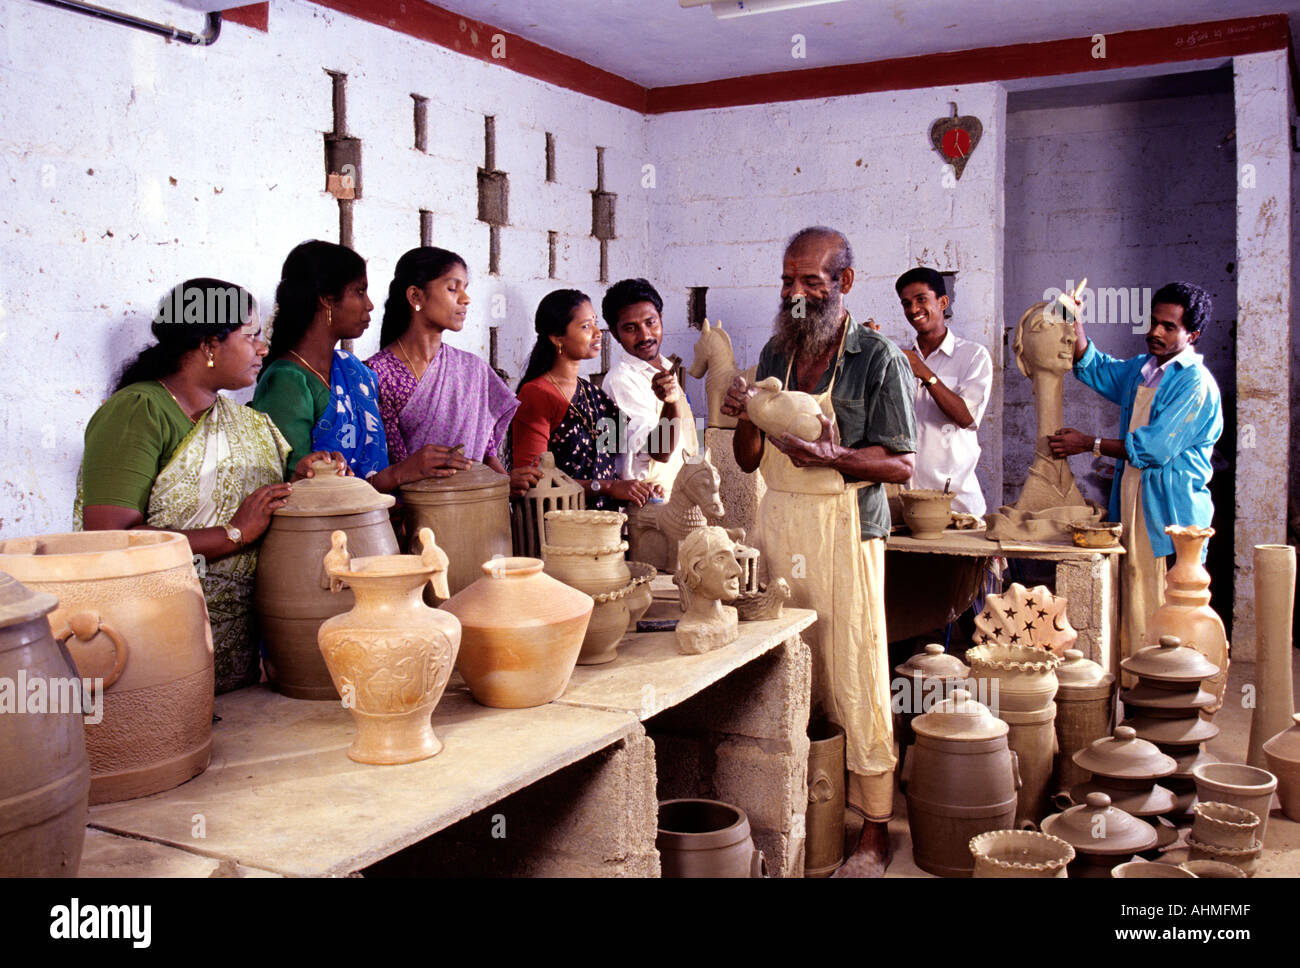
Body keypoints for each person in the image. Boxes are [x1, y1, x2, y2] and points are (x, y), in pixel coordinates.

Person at [722, 226, 917, 877]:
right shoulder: (777, 350)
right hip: (779, 525)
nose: (798, 294)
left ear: (844, 284)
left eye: (812, 282)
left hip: (845, 530)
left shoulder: (877, 357)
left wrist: (832, 455)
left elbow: (903, 464)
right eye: (788, 281)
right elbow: (748, 456)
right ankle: (797, 806)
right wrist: (744, 414)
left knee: (854, 672)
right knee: (787, 666)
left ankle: (874, 826)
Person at [77, 279, 348, 693]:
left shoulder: (246, 422)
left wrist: (304, 479)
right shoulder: (139, 411)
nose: (262, 348)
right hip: (154, 654)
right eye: (251, 336)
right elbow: (110, 538)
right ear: (208, 345)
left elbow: (257, 502)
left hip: (239, 660)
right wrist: (232, 534)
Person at [1048, 281, 1223, 670]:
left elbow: (1153, 449)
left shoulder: (1194, 382)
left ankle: (1166, 696)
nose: (1156, 332)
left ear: (1192, 334)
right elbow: (1094, 367)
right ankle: (1135, 689)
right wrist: (1076, 321)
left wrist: (1089, 444)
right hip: (1131, 498)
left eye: (1169, 327)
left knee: (1163, 607)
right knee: (1133, 599)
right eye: (1154, 322)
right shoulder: (1144, 371)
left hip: (1170, 513)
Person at [251, 240, 470, 491]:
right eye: (359, 292)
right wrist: (400, 473)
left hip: (373, 522)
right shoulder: (287, 381)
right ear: (327, 300)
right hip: (323, 529)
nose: (369, 305)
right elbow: (297, 491)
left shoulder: (355, 371)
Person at [366, 246, 528, 489]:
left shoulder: (474, 369)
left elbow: (485, 451)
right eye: (452, 288)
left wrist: (505, 483)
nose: (466, 299)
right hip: (413, 518)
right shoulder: (377, 374)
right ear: (415, 297)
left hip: (476, 509)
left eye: (465, 289)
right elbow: (387, 467)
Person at [509, 289, 655, 508]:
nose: (598, 333)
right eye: (586, 326)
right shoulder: (536, 394)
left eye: (595, 323)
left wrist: (641, 487)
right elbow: (534, 481)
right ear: (557, 338)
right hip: (560, 528)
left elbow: (632, 450)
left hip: (604, 525)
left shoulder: (591, 393)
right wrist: (608, 487)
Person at [895, 267, 992, 516]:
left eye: (921, 300)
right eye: (906, 303)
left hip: (957, 505)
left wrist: (924, 373)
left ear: (943, 302)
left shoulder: (973, 356)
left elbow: (966, 417)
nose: (913, 309)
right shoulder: (899, 358)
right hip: (908, 503)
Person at [599, 278, 699, 496]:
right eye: (630, 328)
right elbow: (660, 451)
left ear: (661, 319)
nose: (644, 335)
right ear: (615, 334)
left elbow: (690, 441)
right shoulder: (620, 380)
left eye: (650, 322)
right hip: (649, 501)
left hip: (679, 494)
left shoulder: (666, 369)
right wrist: (670, 403)